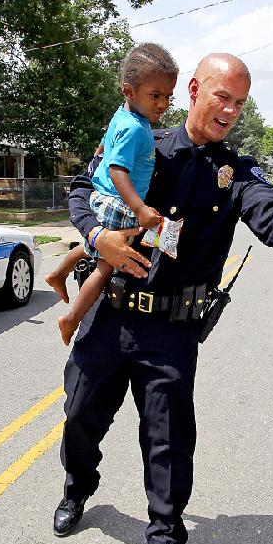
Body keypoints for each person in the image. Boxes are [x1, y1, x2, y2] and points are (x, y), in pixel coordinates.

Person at [53, 53, 273, 544]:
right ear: (195, 91)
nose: (231, 110)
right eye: (223, 97)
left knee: (168, 441)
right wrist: (96, 236)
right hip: (110, 314)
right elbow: (84, 189)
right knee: (80, 414)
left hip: (172, 331)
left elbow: (272, 206)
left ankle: (165, 541)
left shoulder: (234, 171)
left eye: (240, 103)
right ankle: (77, 488)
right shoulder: (144, 137)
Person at [46, 43, 177, 345]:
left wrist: (99, 158)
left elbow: (104, 146)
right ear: (129, 91)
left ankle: (59, 272)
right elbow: (118, 171)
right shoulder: (136, 129)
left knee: (95, 245)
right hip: (119, 202)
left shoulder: (122, 115)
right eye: (155, 95)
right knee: (106, 266)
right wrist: (140, 208)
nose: (163, 103)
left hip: (102, 196)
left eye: (168, 96)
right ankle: (71, 318)